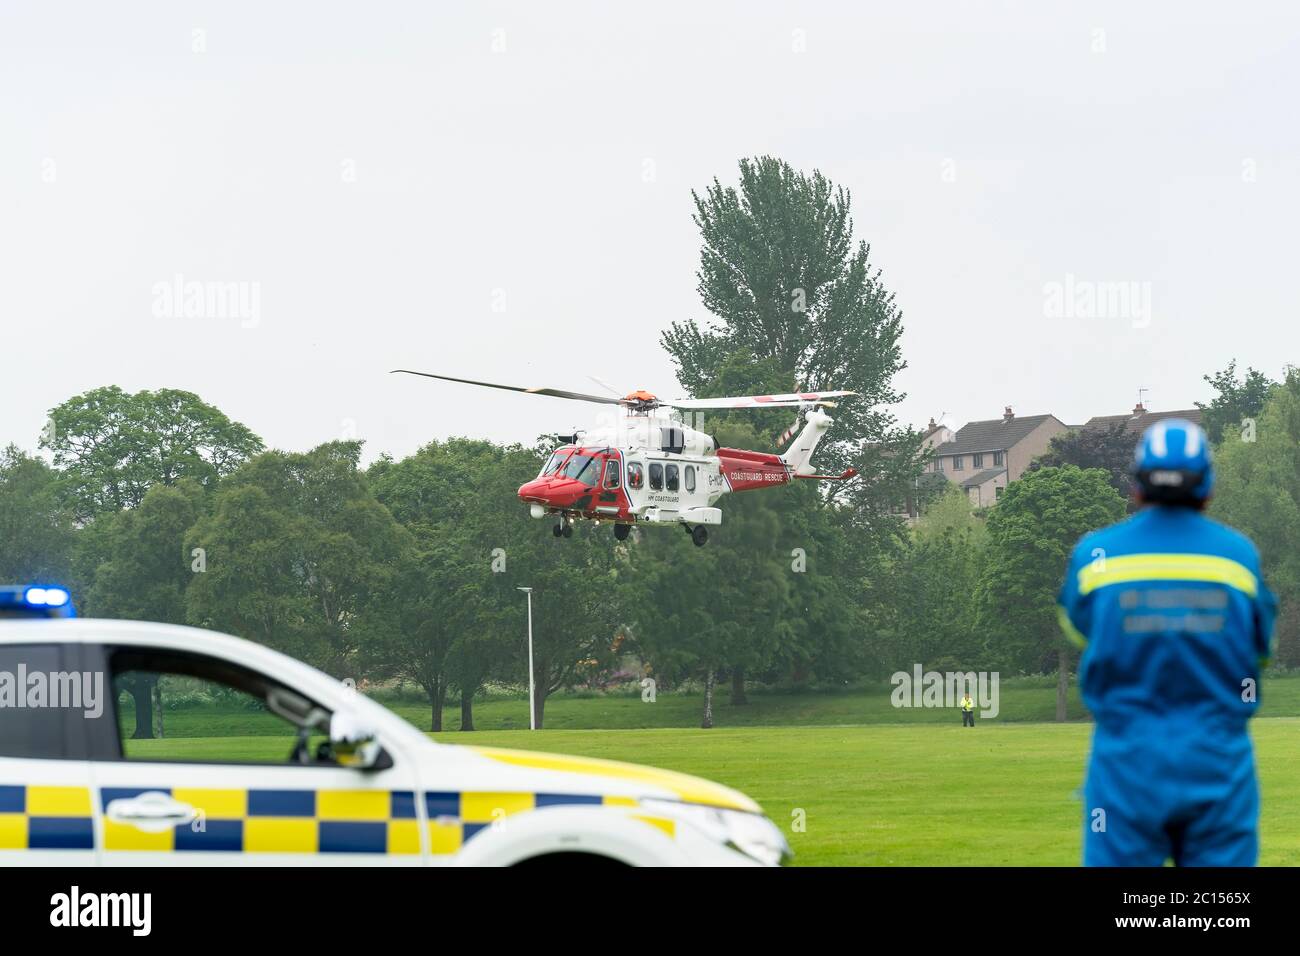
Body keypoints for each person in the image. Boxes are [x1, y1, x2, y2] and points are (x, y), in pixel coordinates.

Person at [1058, 419, 1276, 866]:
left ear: (1138, 486)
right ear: (1207, 488)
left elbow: (1078, 627)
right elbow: (1262, 646)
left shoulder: (1095, 555)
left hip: (1126, 761)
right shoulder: (1237, 556)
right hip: (1216, 759)